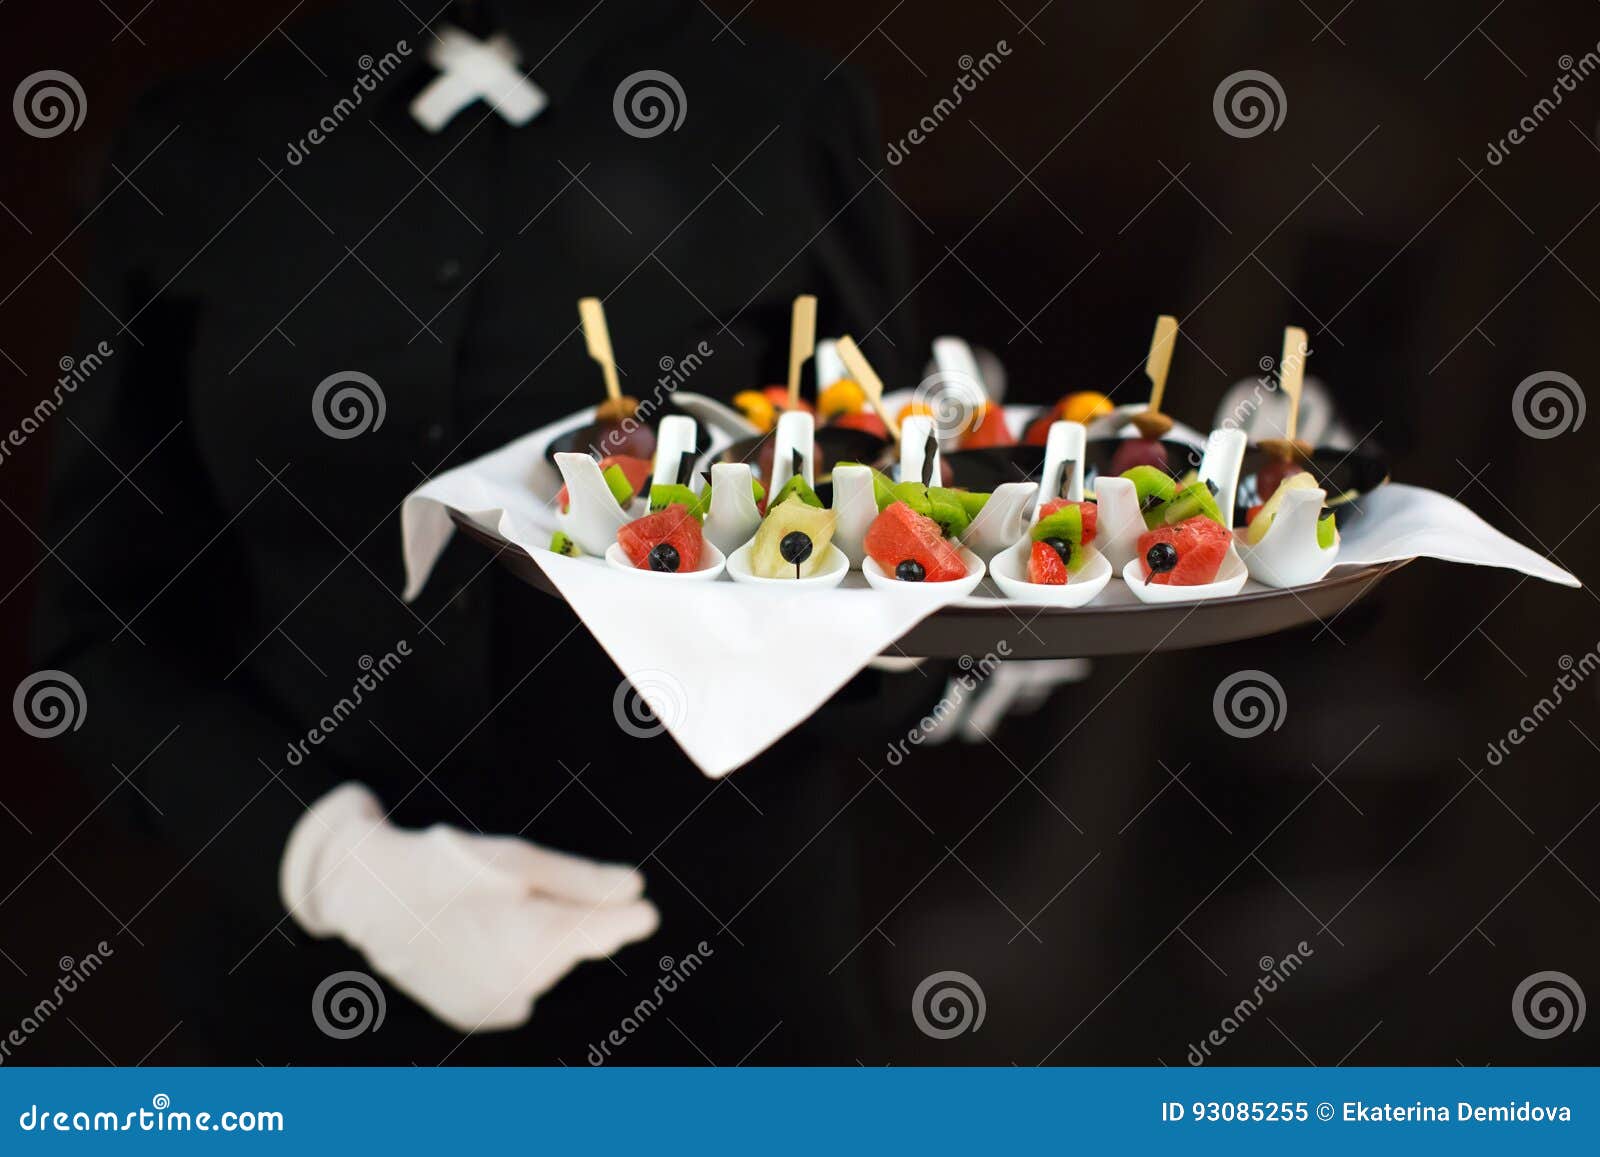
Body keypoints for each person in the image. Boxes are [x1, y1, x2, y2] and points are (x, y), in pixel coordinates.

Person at [32, 0, 922, 1063]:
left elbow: (902, 541)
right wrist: (336, 865)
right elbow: (94, 639)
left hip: (724, 986)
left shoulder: (784, 110)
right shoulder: (197, 140)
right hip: (306, 990)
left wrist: (908, 625)